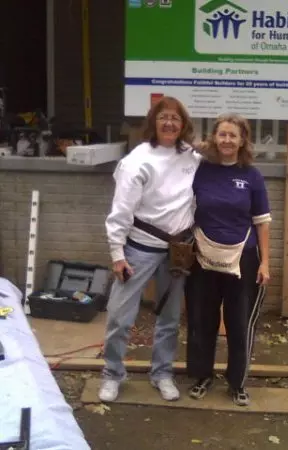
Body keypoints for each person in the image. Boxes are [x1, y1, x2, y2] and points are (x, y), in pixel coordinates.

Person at [99, 96, 201, 403]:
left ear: (183, 125)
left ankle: (162, 373)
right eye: (163, 117)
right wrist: (117, 254)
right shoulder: (136, 161)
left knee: (169, 318)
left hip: (178, 251)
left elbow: (217, 150)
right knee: (120, 315)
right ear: (153, 123)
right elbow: (120, 212)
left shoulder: (192, 156)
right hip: (139, 249)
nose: (169, 123)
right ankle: (112, 374)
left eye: (175, 118)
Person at [185, 113, 271, 407]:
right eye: (222, 134)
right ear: (214, 137)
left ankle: (237, 383)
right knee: (202, 320)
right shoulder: (200, 170)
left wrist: (265, 263)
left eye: (233, 135)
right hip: (203, 259)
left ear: (243, 140)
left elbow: (262, 221)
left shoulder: (252, 175)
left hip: (243, 260)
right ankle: (201, 377)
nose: (227, 140)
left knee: (238, 324)